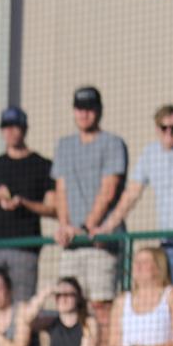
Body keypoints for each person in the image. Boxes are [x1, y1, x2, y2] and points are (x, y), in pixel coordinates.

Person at [101, 104, 173, 321]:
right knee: (168, 300)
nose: (170, 133)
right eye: (165, 128)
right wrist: (108, 225)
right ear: (157, 128)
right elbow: (132, 193)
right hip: (167, 244)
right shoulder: (150, 154)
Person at [51, 86, 129, 326]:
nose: (84, 114)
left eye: (89, 109)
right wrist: (64, 226)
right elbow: (61, 189)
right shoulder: (64, 146)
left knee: (101, 306)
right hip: (72, 243)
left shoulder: (113, 143)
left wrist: (86, 226)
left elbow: (109, 190)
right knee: (72, 306)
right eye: (79, 109)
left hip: (100, 241)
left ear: (99, 111)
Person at [0, 106, 54, 302]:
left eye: (15, 127)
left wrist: (24, 203)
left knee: (22, 306)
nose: (10, 132)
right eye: (5, 127)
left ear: (24, 129)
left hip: (25, 247)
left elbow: (53, 208)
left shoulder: (42, 164)